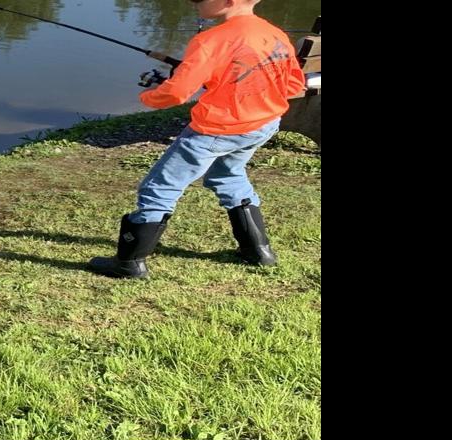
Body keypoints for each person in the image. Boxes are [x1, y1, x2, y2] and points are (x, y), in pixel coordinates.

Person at [88, 0, 305, 278]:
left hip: (217, 129)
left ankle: (129, 263)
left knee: (159, 188)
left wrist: (149, 96)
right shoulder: (274, 33)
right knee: (228, 176)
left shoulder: (211, 40)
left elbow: (176, 93)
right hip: (263, 123)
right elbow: (293, 85)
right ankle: (259, 251)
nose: (193, 2)